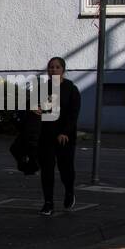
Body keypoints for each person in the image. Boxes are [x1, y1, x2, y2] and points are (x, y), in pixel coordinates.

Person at [36, 57, 81, 216]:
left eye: (57, 67)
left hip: (65, 136)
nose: (53, 70)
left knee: (65, 169)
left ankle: (69, 191)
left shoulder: (71, 88)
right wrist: (36, 109)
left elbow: (73, 114)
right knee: (47, 170)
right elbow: (38, 108)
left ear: (63, 70)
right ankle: (48, 202)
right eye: (50, 67)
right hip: (46, 135)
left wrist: (65, 132)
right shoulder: (43, 88)